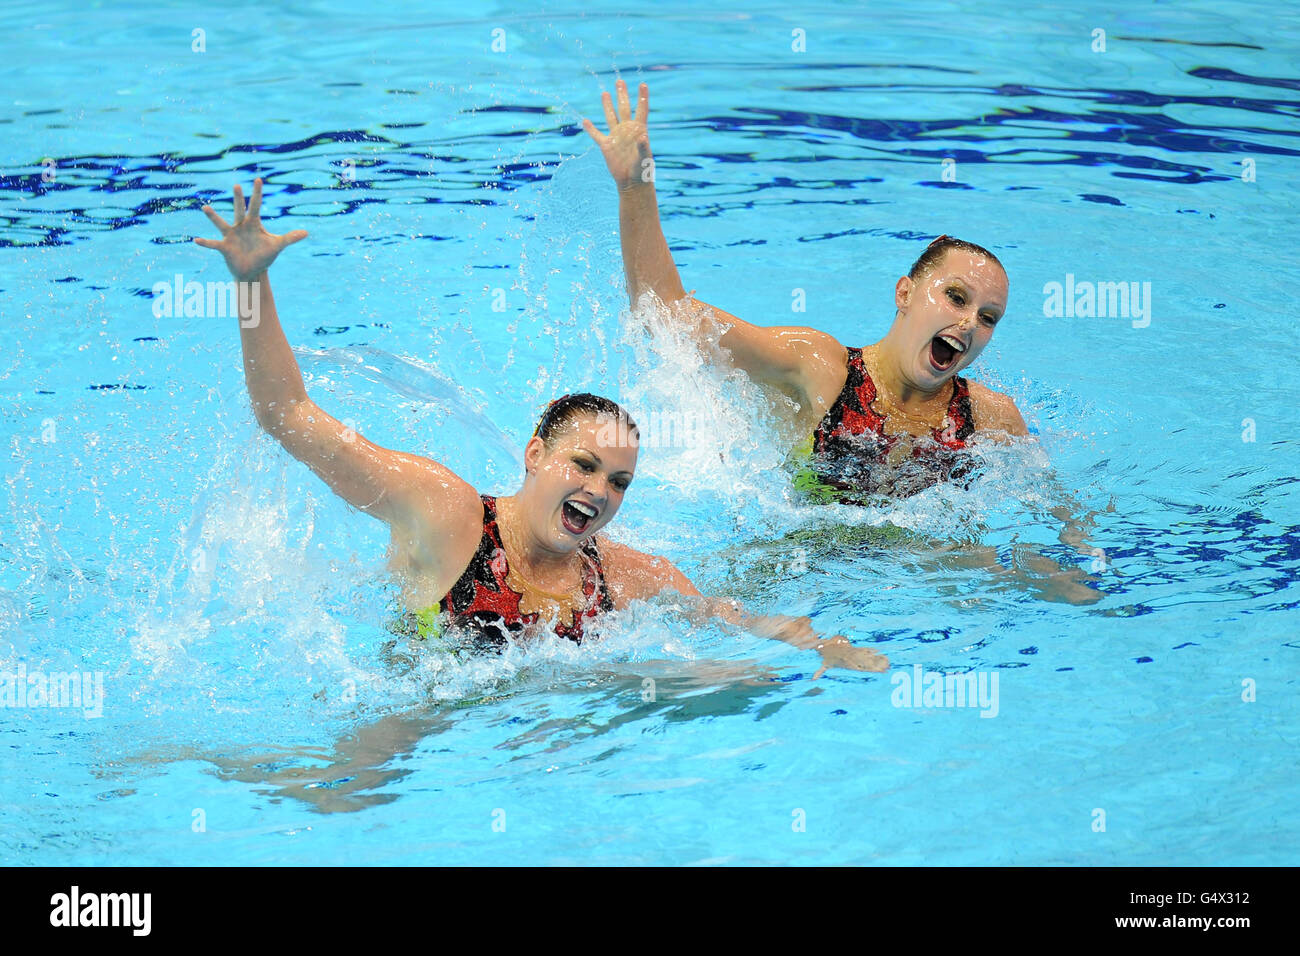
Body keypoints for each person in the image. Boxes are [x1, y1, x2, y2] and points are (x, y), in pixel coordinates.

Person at [193, 179, 888, 676]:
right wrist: (251, 285)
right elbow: (288, 417)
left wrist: (816, 645)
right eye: (583, 466)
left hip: (543, 736)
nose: (600, 492)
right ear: (533, 455)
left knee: (731, 684)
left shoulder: (626, 576)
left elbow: (723, 614)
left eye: (618, 482)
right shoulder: (446, 515)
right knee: (351, 793)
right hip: (417, 714)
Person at [583, 80, 1029, 502]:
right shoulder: (817, 368)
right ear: (905, 293)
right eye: (956, 296)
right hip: (806, 563)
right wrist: (635, 189)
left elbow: (1052, 510)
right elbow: (665, 317)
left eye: (989, 317)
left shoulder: (993, 420)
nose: (970, 322)